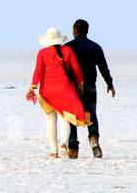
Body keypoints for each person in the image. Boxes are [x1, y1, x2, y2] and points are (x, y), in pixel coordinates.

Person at [27, 28, 90, 159]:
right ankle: (63, 145)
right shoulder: (68, 51)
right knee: (64, 118)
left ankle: (54, 152)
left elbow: (38, 71)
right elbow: (77, 70)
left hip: (47, 92)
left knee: (50, 121)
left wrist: (33, 86)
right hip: (65, 90)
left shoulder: (42, 53)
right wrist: (80, 84)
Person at [64, 19, 115, 158]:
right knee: (91, 114)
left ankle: (73, 148)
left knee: (71, 117)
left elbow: (62, 69)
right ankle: (93, 139)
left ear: (74, 31)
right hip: (90, 86)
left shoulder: (67, 47)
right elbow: (103, 68)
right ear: (87, 31)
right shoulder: (95, 47)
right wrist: (110, 84)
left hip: (73, 88)